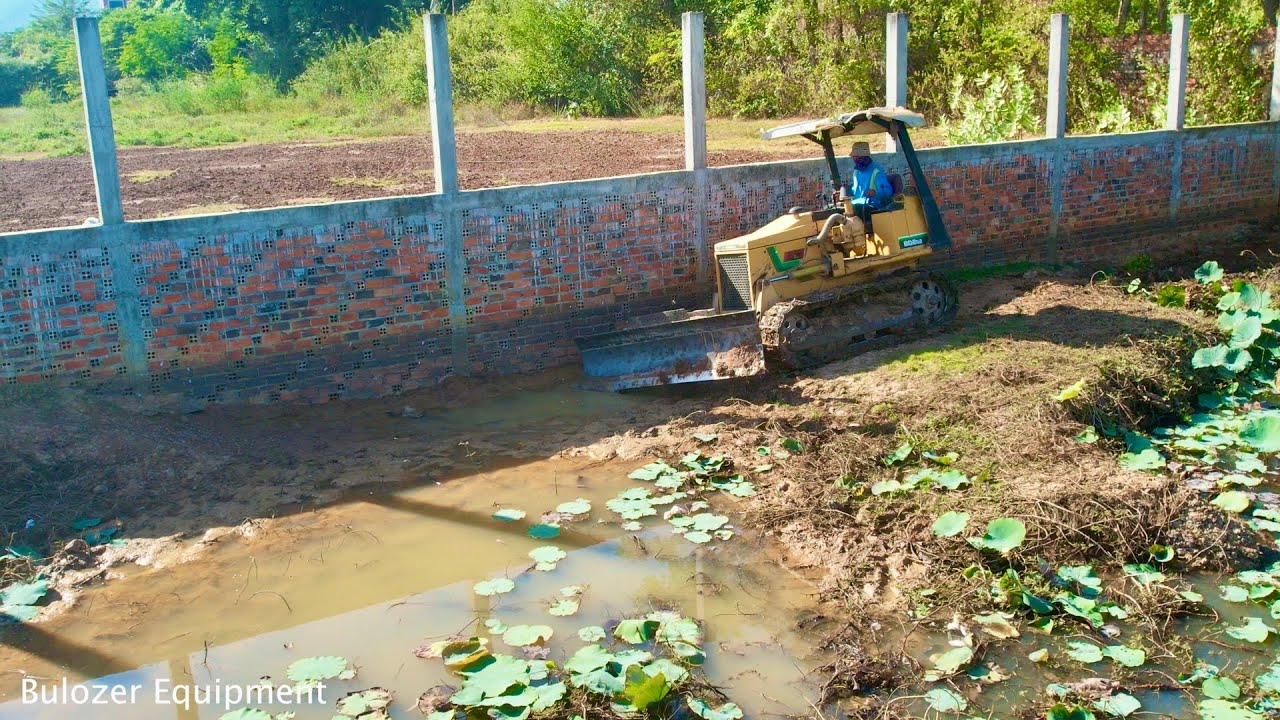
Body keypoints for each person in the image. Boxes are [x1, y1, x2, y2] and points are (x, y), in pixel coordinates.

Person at [841, 141, 893, 222]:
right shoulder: (856, 172)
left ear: (865, 157)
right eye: (854, 157)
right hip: (857, 203)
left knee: (856, 211)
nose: (855, 159)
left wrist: (875, 192)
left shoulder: (877, 171)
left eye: (858, 157)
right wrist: (843, 193)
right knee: (841, 211)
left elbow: (887, 192)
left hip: (874, 206)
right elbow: (855, 190)